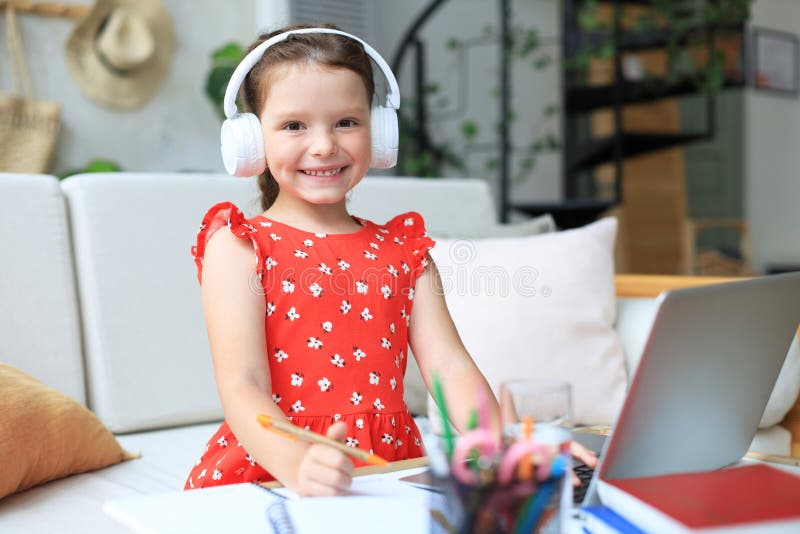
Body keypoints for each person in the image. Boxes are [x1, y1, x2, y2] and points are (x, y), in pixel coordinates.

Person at [184, 24, 595, 496]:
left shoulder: (404, 251)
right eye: (294, 125)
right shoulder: (238, 245)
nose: (324, 145)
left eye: (346, 122)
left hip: (387, 464)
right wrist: (295, 462)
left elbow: (449, 366)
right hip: (274, 464)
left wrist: (501, 445)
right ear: (252, 138)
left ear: (379, 131)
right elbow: (243, 384)